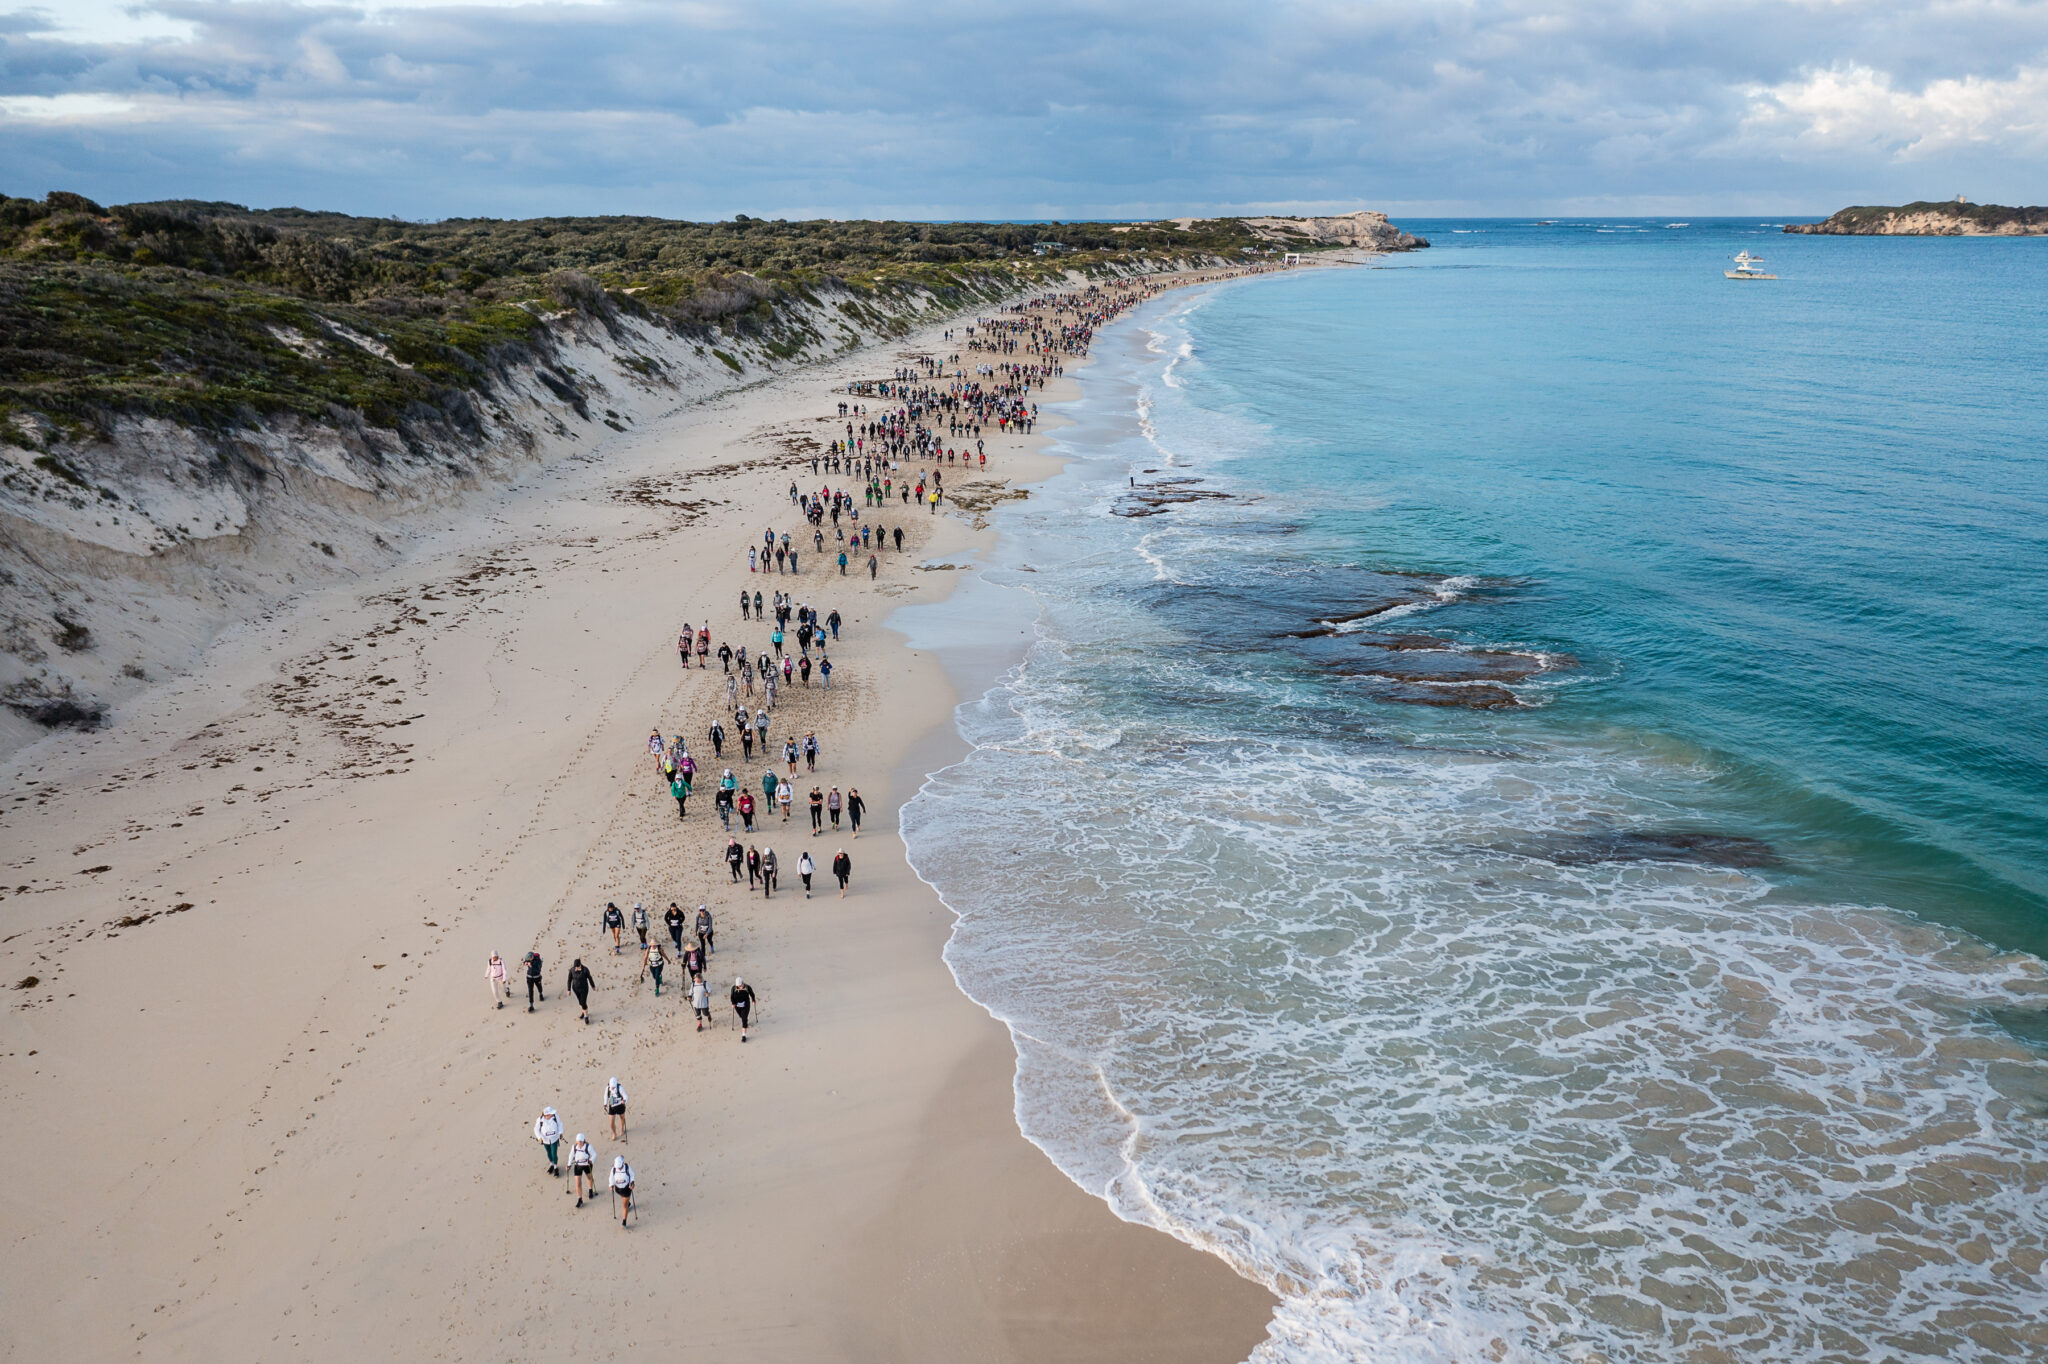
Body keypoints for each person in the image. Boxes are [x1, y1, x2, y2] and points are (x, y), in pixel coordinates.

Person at [568, 1133, 596, 1206]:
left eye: (581, 1141)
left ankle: (590, 1190)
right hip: (578, 1165)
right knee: (578, 1183)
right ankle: (580, 1199)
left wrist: (591, 1161)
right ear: (576, 1141)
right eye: (578, 1141)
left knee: (589, 1178)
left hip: (587, 1165)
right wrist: (569, 1164)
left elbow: (594, 1154)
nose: (579, 1143)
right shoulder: (574, 1147)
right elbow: (571, 1156)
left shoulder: (588, 1147)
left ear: (584, 1140)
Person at [533, 1106, 563, 1176]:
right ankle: (551, 1164)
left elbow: (560, 1124)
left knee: (554, 1153)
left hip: (554, 1139)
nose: (553, 1114)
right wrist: (539, 1138)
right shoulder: (540, 1120)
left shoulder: (555, 1117)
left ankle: (555, 1167)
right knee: (548, 1152)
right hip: (545, 1141)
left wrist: (560, 1132)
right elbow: (536, 1129)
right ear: (547, 1115)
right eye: (551, 1113)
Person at [567, 957, 595, 1025]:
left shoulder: (585, 970)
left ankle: (586, 1016)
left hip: (584, 989)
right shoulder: (572, 970)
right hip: (575, 989)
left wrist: (593, 985)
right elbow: (569, 980)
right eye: (575, 967)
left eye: (577, 966)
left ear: (580, 964)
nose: (576, 968)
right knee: (580, 1002)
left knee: (583, 1002)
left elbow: (590, 978)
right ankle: (583, 1012)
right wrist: (569, 989)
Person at [610, 1155, 636, 1227]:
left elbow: (632, 1175)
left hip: (626, 1189)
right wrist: (611, 1185)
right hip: (618, 1189)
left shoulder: (627, 1168)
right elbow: (611, 1178)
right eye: (617, 1167)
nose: (619, 1168)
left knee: (624, 1205)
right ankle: (628, 1204)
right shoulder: (614, 1169)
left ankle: (624, 1221)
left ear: (623, 1163)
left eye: (620, 1167)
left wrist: (632, 1183)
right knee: (623, 1198)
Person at [731, 976, 757, 1042]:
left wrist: (753, 1000)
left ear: (743, 983)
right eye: (738, 986)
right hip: (737, 1005)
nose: (739, 987)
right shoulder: (733, 988)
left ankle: (743, 1035)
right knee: (741, 1016)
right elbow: (732, 997)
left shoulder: (747, 987)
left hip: (746, 1005)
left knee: (744, 1019)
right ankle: (745, 1022)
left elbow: (752, 994)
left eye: (740, 985)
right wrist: (733, 1003)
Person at [605, 1076, 628, 1142]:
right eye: (611, 1086)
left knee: (622, 1118)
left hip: (620, 1105)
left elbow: (625, 1096)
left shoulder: (620, 1087)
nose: (612, 1087)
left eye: (614, 1086)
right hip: (612, 1106)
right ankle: (614, 1133)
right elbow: (605, 1096)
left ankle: (621, 1129)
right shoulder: (607, 1088)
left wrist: (625, 1100)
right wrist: (605, 1104)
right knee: (611, 1122)